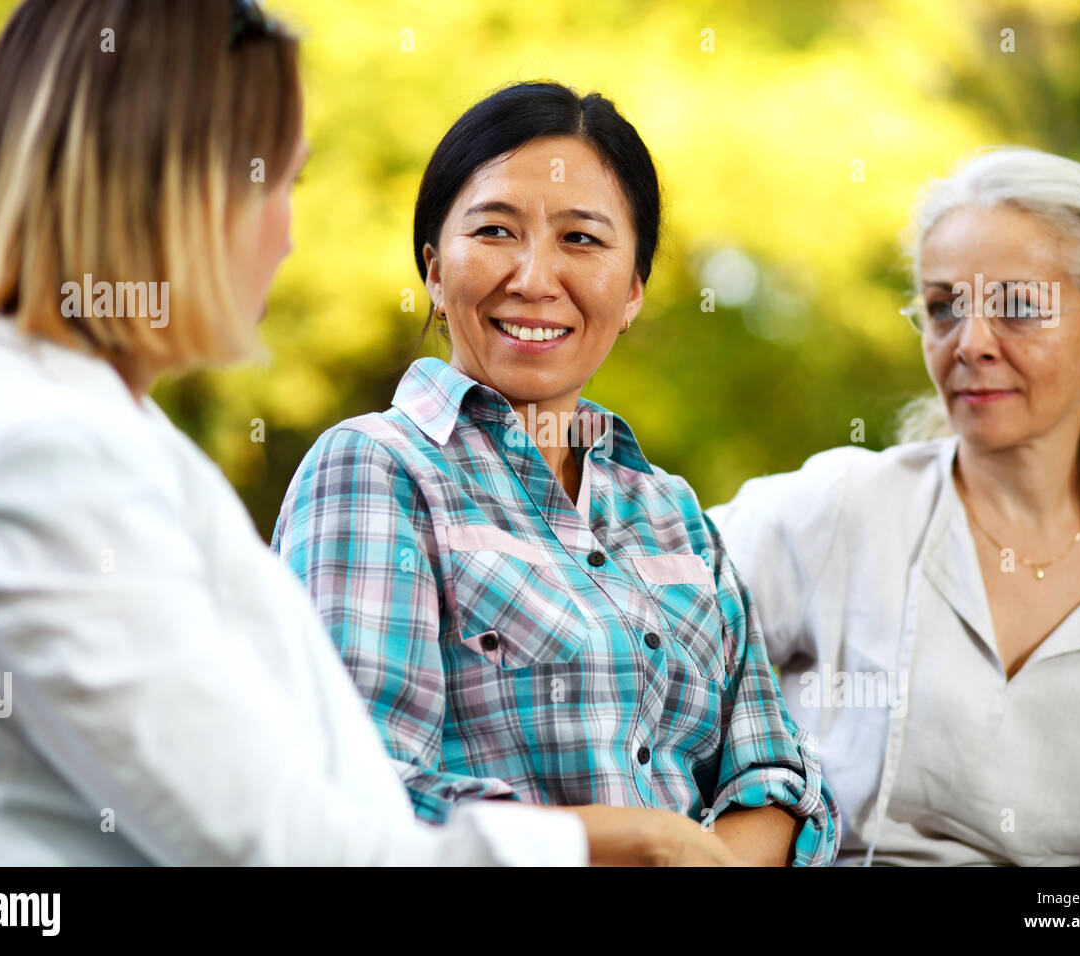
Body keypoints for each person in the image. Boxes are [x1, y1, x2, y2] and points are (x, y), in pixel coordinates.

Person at [0, 0, 677, 866]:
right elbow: (283, 848)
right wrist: (625, 841)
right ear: (170, 183)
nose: (287, 232)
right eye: (277, 184)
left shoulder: (82, 428)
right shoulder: (37, 452)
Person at [272, 82, 839, 866]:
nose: (536, 279)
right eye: (497, 230)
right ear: (435, 270)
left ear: (634, 288)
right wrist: (641, 840)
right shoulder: (374, 469)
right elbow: (357, 792)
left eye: (582, 240)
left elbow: (778, 775)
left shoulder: (669, 510)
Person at [710, 147, 1080, 866]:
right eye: (944, 307)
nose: (970, 343)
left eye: (1016, 308)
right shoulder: (847, 506)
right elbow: (638, 617)